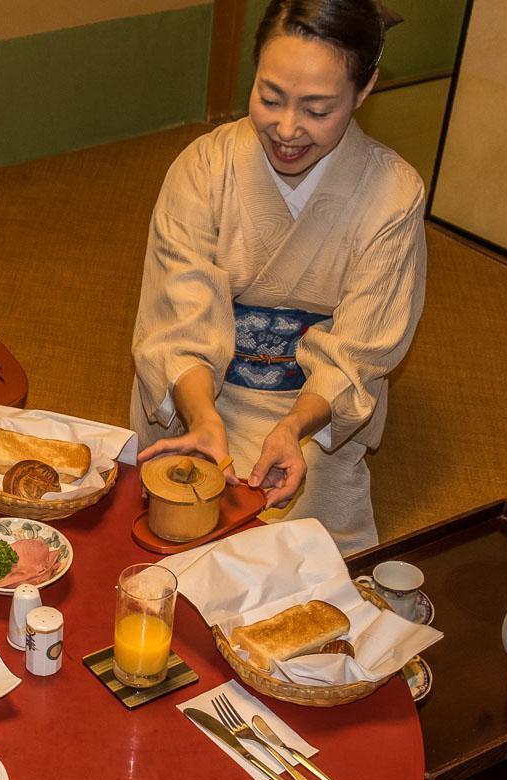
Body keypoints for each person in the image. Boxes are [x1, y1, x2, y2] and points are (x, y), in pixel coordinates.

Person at [131, 0, 426, 553]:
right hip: (202, 394)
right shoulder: (204, 168)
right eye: (270, 98)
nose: (287, 129)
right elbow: (179, 321)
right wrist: (202, 417)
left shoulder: (392, 194)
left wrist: (292, 429)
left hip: (313, 412)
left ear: (365, 91)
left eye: (317, 109)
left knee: (301, 567)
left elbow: (358, 355)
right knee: (166, 536)